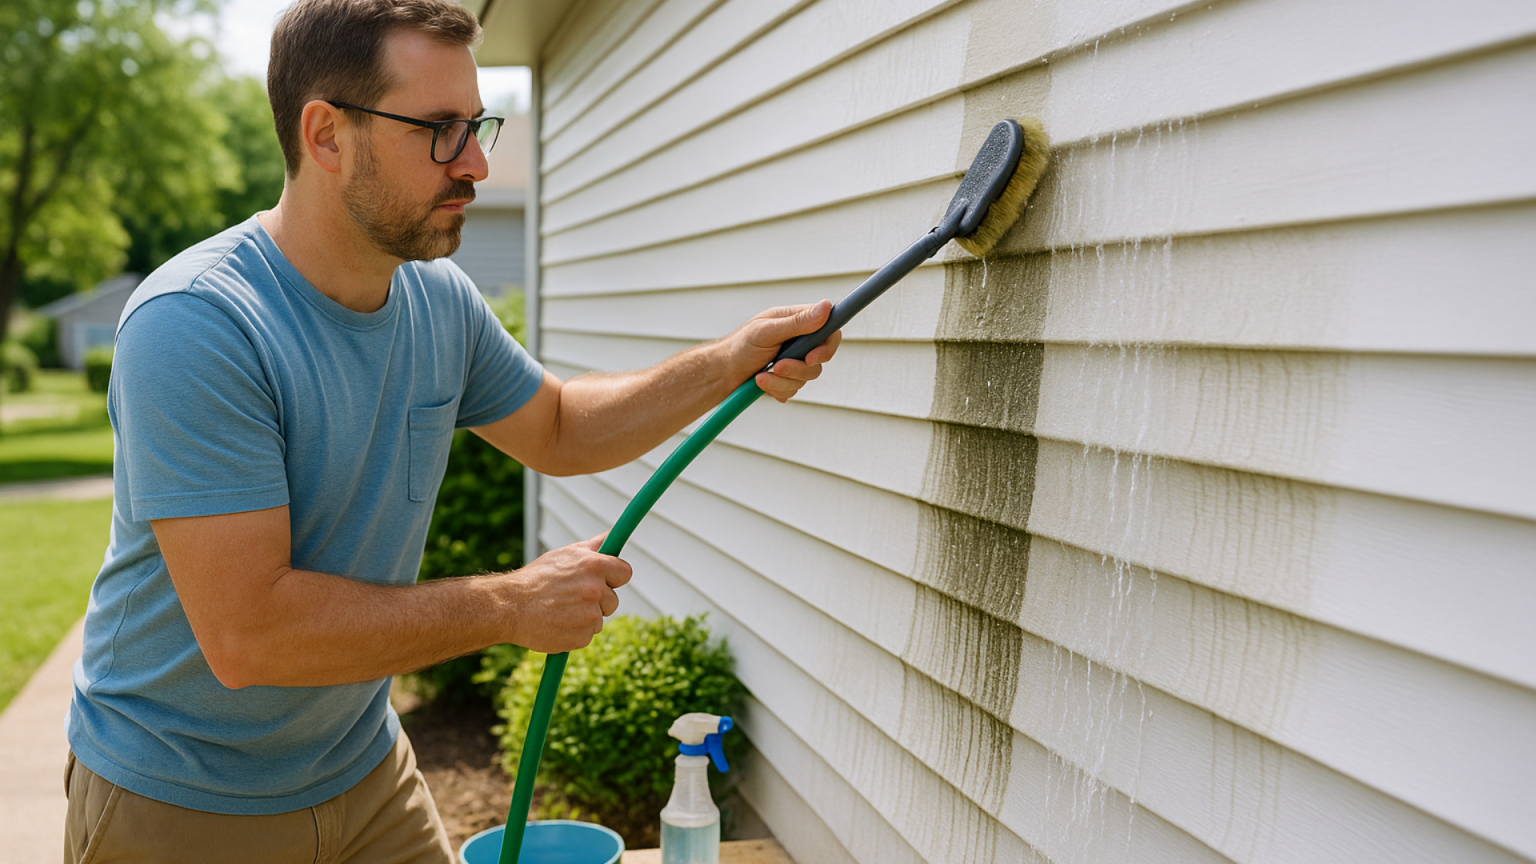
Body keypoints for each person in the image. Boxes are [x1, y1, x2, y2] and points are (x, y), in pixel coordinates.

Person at [61, 0, 840, 860]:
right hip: (179, 801)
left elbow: (556, 427)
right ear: (326, 135)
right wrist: (509, 604)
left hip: (360, 772)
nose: (472, 162)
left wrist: (727, 362)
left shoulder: (436, 300)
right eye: (438, 129)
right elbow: (251, 634)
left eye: (476, 126)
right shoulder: (198, 325)